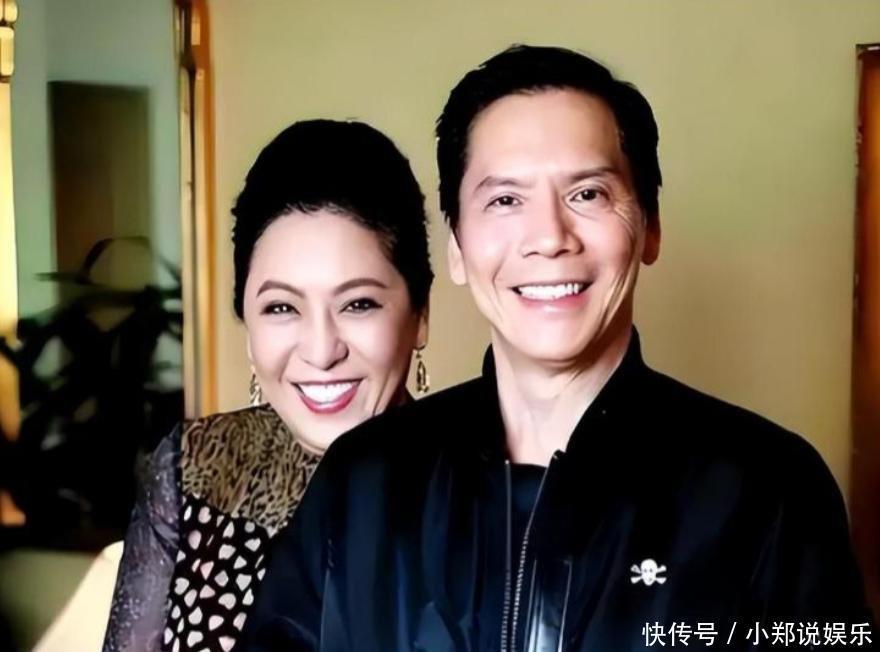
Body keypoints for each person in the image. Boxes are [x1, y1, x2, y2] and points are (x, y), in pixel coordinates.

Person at [242, 46, 874, 652]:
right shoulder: (362, 484)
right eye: (505, 200)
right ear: (457, 248)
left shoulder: (768, 491)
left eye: (587, 194)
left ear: (650, 226)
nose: (548, 237)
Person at [102, 119, 433, 652]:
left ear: (420, 314)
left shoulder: (477, 497)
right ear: (247, 324)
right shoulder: (194, 468)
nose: (321, 351)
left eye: (358, 304)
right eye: (281, 307)